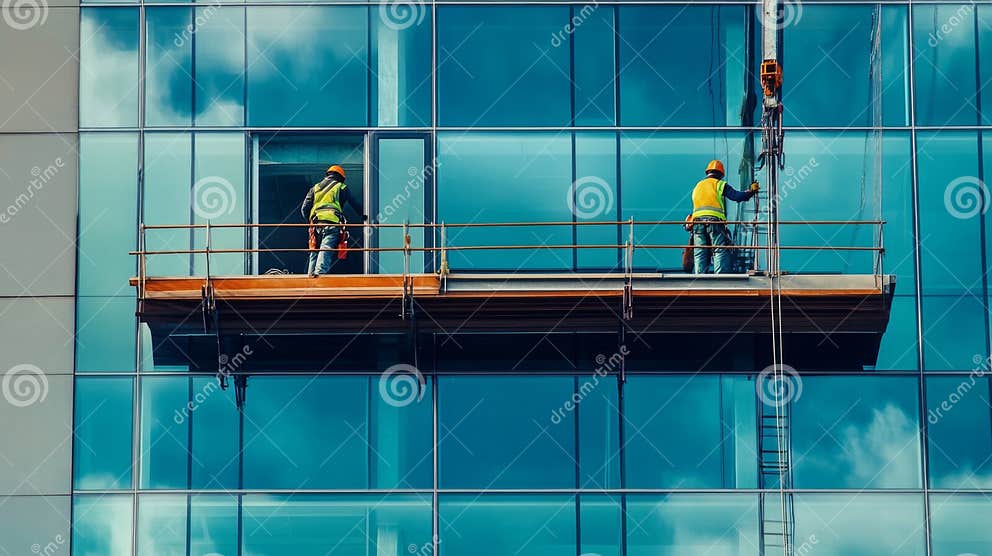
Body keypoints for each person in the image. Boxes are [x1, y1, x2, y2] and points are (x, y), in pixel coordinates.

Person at [689, 160, 759, 274]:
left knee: (700, 251)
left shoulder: (698, 186)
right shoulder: (719, 184)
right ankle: (719, 278)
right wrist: (751, 191)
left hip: (697, 223)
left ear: (707, 173)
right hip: (714, 222)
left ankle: (699, 278)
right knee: (719, 249)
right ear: (721, 174)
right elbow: (737, 196)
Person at [301, 164, 353, 276]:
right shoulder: (341, 187)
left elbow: (304, 208)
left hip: (315, 224)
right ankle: (319, 275)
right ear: (341, 177)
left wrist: (309, 222)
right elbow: (354, 203)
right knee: (326, 248)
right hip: (331, 223)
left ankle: (310, 277)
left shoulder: (315, 188)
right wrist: (365, 217)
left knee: (314, 250)